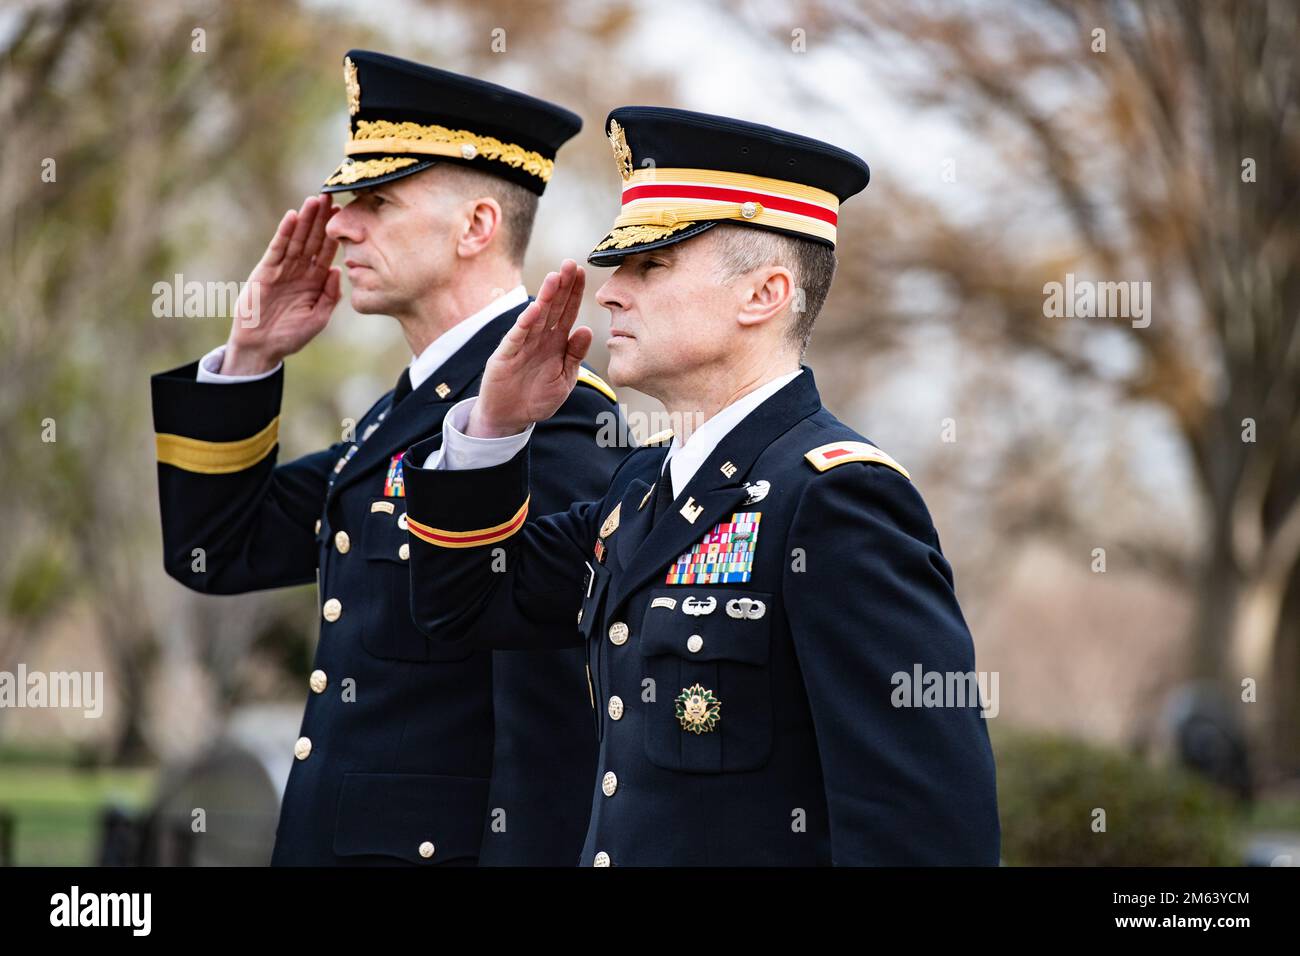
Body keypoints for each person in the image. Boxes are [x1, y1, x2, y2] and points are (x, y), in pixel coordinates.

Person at [400, 107, 1001, 865]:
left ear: (764, 294)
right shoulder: (639, 491)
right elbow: (463, 602)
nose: (611, 293)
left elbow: (924, 831)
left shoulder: (835, 500)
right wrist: (494, 427)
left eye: (652, 265)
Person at [150, 50, 627, 865]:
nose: (338, 225)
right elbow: (216, 551)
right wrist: (251, 358)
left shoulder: (552, 415)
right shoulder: (404, 419)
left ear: (477, 226)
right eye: (344, 201)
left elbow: (548, 727)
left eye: (375, 200)